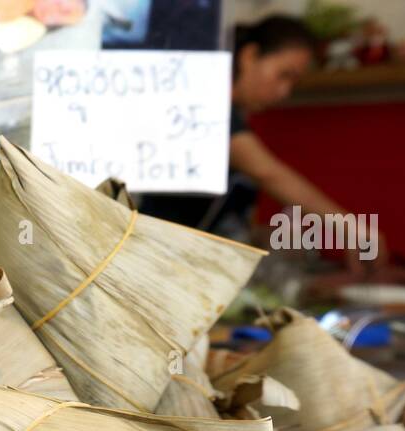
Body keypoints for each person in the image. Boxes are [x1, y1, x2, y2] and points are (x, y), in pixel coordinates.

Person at [139, 14, 386, 272]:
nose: (284, 92)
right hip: (151, 264)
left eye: (293, 81)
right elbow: (267, 172)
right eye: (283, 75)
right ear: (249, 56)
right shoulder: (207, 108)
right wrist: (352, 229)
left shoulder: (235, 115)